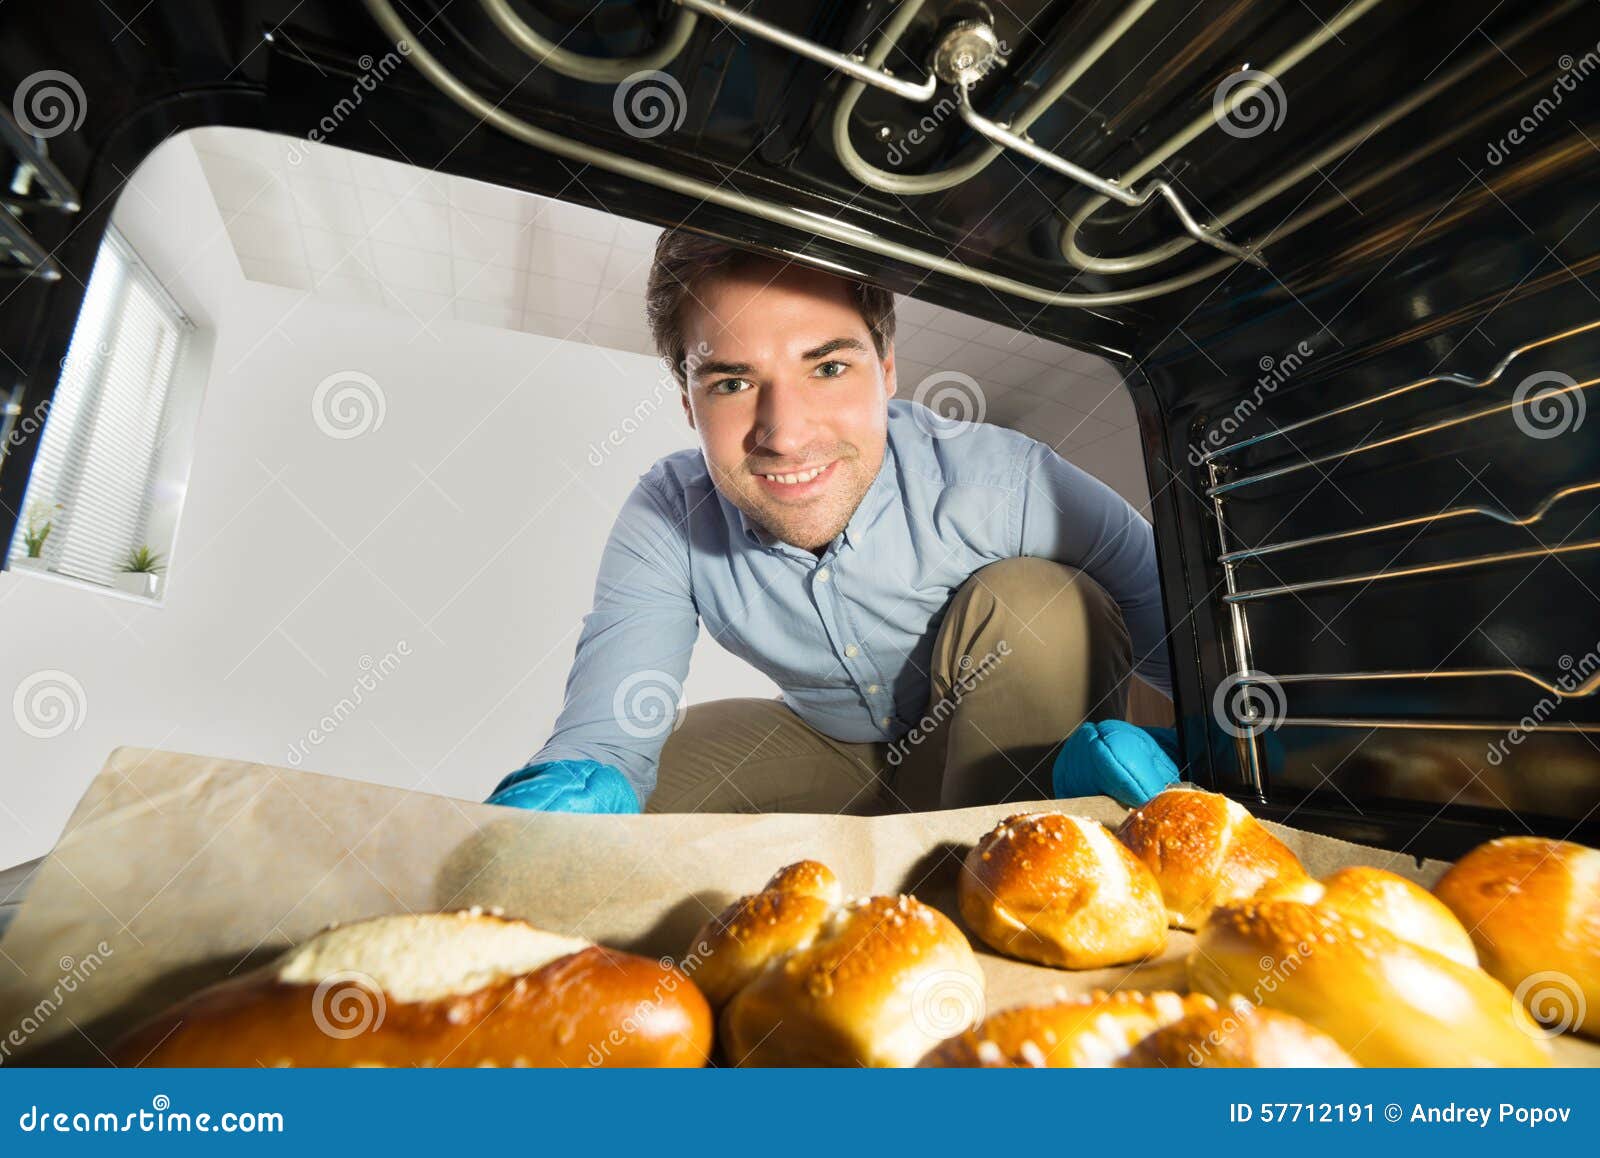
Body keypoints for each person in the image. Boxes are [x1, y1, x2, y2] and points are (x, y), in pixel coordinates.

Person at [487, 228, 1175, 816]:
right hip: (823, 745)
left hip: (996, 744)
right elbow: (607, 732)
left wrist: (1208, 749)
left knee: (1044, 605)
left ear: (887, 370)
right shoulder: (669, 512)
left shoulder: (1004, 481)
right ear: (690, 404)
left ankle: (1004, 853)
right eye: (732, 383)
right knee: (646, 794)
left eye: (829, 367)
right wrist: (573, 792)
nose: (784, 435)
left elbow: (1184, 639)